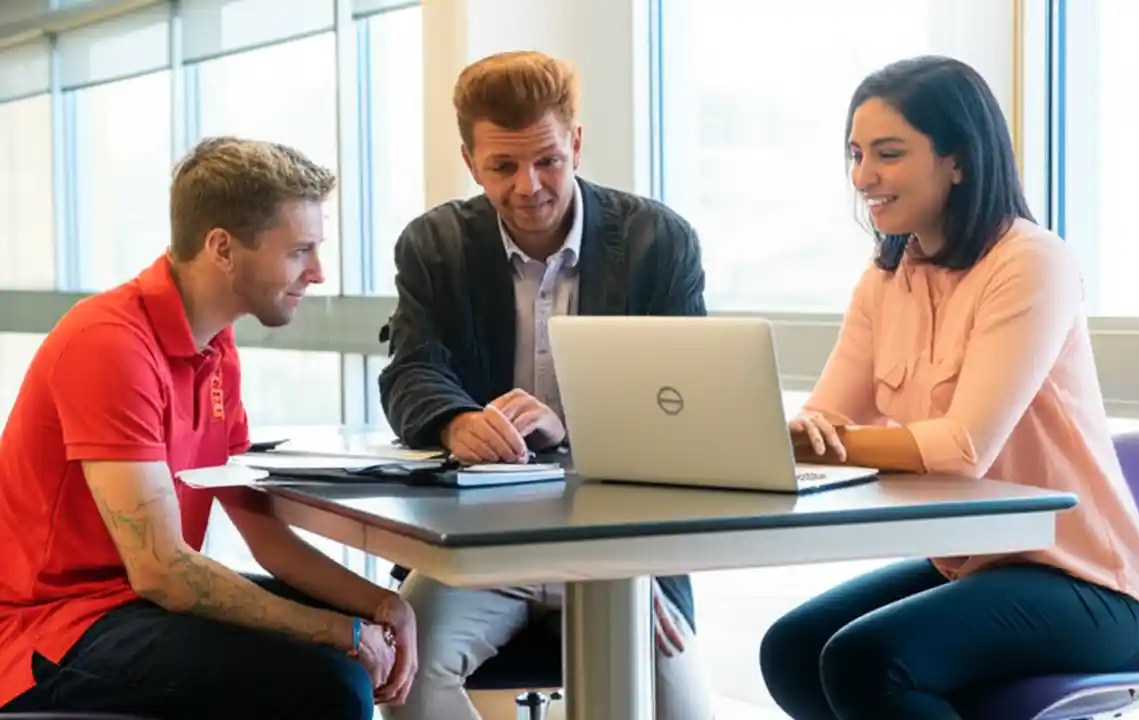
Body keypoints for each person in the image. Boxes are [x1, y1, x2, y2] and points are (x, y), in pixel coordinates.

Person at [757, 56, 1139, 719]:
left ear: (958, 159)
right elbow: (827, 415)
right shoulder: (886, 276)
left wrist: (829, 445)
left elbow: (961, 446)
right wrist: (793, 432)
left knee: (867, 659)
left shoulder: (1031, 262)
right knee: (793, 649)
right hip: (977, 566)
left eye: (888, 154)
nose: (863, 176)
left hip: (1085, 582)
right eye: (856, 154)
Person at [0, 137, 419, 719]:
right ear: (222, 247)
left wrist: (382, 605)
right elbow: (162, 570)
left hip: (142, 607)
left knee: (361, 648)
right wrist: (333, 631)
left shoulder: (216, 349)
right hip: (55, 627)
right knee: (330, 683)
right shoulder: (109, 344)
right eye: (299, 251)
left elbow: (260, 530)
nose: (318, 273)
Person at [378, 50, 713, 719]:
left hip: (616, 546)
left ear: (577, 144)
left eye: (549, 161)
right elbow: (411, 369)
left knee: (682, 710)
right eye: (503, 166)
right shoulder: (434, 245)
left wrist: (576, 431)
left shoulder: (659, 241)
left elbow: (686, 404)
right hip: (483, 545)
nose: (529, 186)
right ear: (471, 161)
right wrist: (454, 421)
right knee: (402, 670)